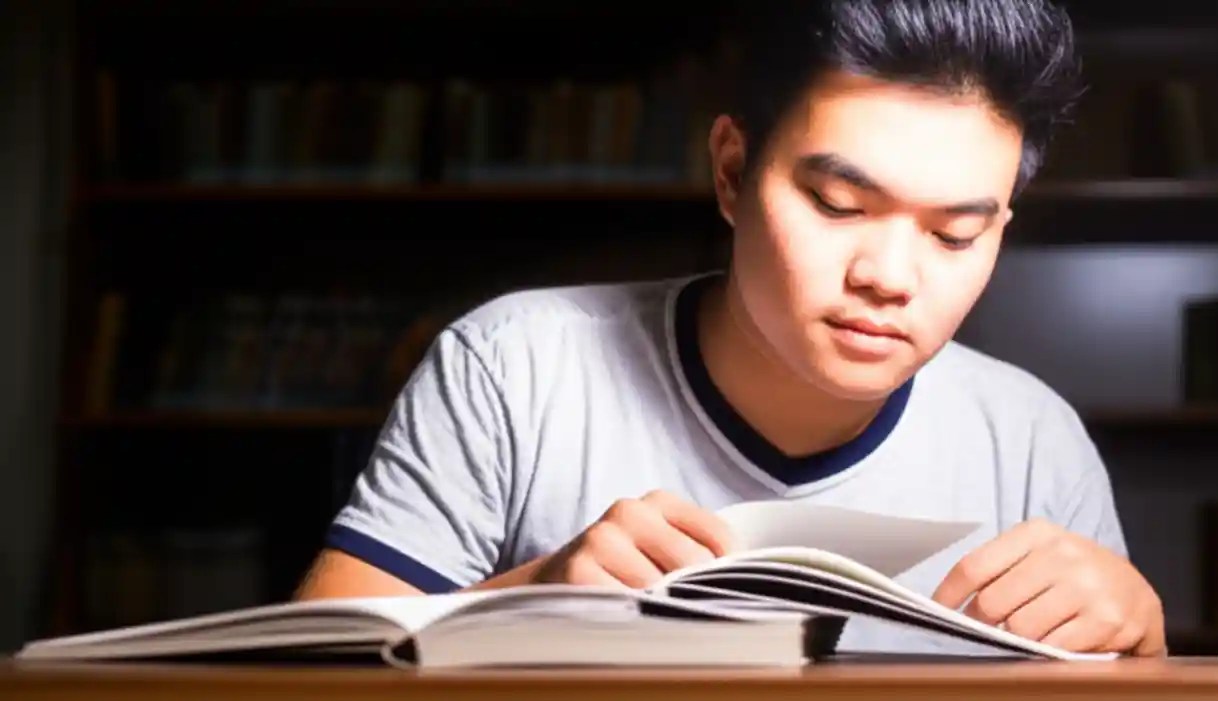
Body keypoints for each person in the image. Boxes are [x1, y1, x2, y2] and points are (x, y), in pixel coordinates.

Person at [296, 0, 1166, 656]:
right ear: (732, 172)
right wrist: (532, 598)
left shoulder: (1029, 439)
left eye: (954, 235)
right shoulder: (513, 369)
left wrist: (1142, 652)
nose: (889, 278)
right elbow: (298, 679)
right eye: (838, 203)